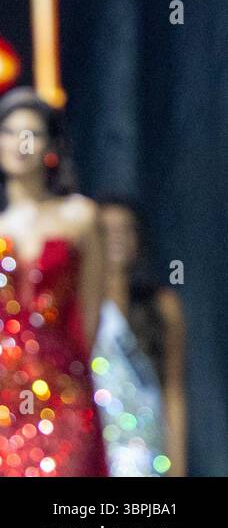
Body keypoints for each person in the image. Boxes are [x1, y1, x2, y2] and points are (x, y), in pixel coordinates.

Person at [0, 87, 107, 476]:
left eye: (32, 134)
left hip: (63, 386)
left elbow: (91, 313)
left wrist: (76, 373)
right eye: (8, 132)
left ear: (51, 145)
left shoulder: (80, 216)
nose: (20, 144)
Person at [92, 194, 186, 476]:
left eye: (125, 229)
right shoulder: (77, 305)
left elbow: (173, 391)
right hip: (95, 449)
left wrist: (177, 466)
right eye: (106, 231)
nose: (116, 238)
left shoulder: (161, 306)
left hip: (148, 455)